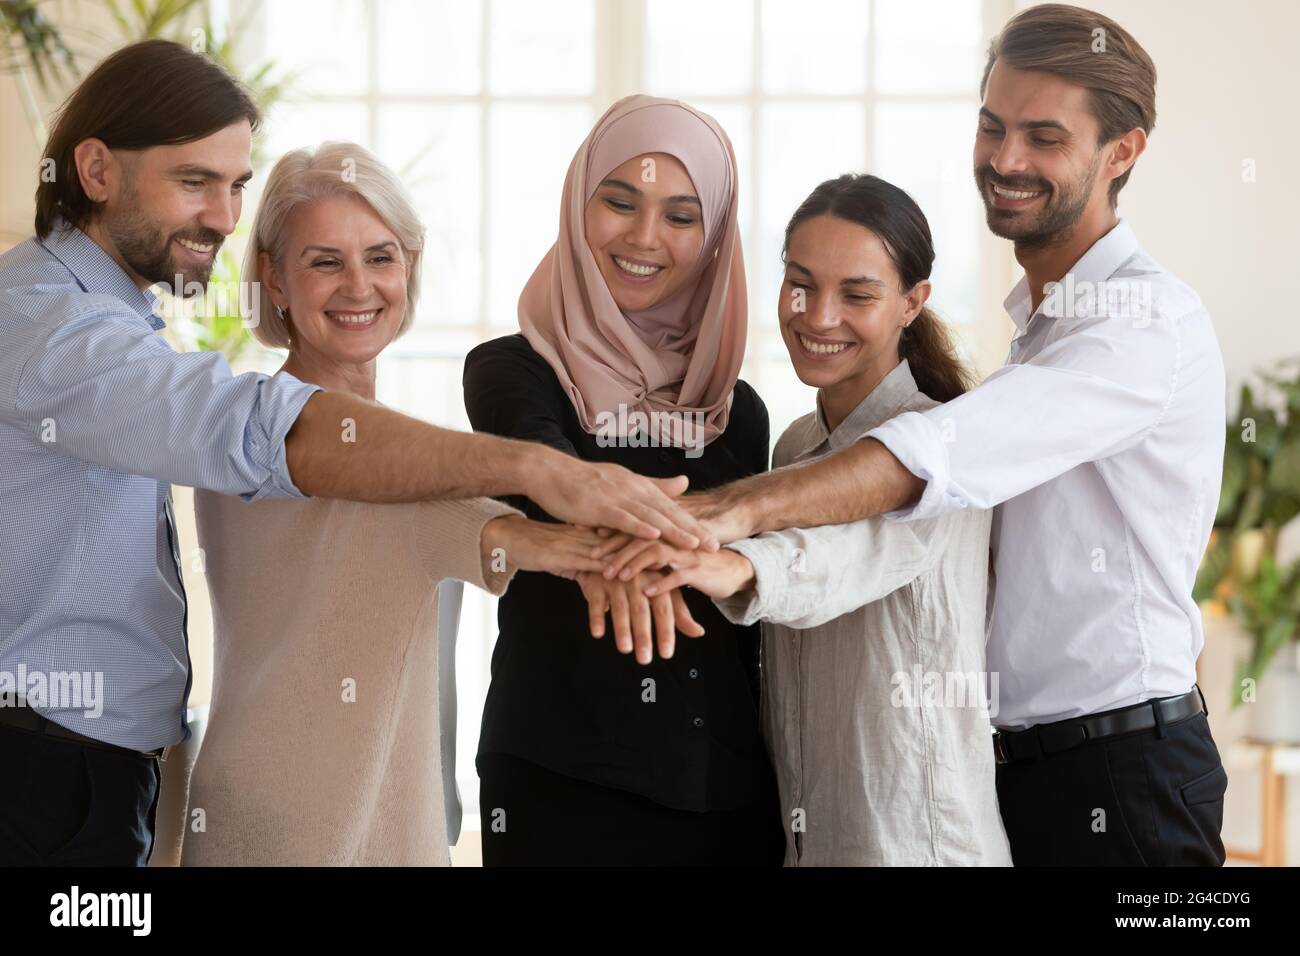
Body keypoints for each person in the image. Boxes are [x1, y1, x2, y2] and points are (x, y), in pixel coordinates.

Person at [0, 40, 707, 867]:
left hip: (103, 775)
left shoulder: (105, 326)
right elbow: (266, 434)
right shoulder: (55, 329)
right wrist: (541, 475)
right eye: (195, 182)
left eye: (234, 185)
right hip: (51, 775)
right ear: (96, 170)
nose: (223, 215)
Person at [600, 4, 1228, 867]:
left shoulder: (1139, 321)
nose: (1006, 160)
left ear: (1121, 153)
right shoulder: (1038, 332)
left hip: (1123, 772)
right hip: (1025, 769)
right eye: (993, 126)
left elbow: (925, 476)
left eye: (1044, 137)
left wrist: (729, 526)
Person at [180, 142, 607, 866]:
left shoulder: (237, 432)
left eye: (381, 257)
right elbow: (536, 540)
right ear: (275, 283)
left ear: (410, 268)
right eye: (324, 261)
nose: (359, 285)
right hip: (291, 836)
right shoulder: (285, 442)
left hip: (297, 816)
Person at [602, 174, 1013, 865]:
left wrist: (735, 563)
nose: (819, 317)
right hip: (815, 836)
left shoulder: (946, 440)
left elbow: (855, 556)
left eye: (857, 294)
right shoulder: (794, 443)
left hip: (918, 842)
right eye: (801, 284)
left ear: (913, 303)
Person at [463, 95, 783, 866]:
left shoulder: (740, 414)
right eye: (620, 202)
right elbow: (549, 467)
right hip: (561, 781)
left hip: (725, 790)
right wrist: (626, 531)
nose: (645, 238)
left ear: (712, 238)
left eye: (680, 215)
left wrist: (626, 543)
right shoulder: (513, 370)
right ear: (580, 206)